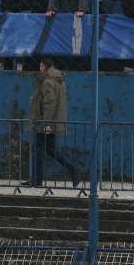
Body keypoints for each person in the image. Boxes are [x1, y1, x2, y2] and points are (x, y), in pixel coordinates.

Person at [27, 59, 78, 188]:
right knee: (50, 150)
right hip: (52, 122)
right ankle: (72, 170)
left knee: (37, 150)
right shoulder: (59, 80)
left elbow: (50, 104)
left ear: (44, 67)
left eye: (40, 65)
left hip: (44, 122)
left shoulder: (48, 82)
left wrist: (46, 123)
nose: (39, 67)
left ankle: (37, 181)